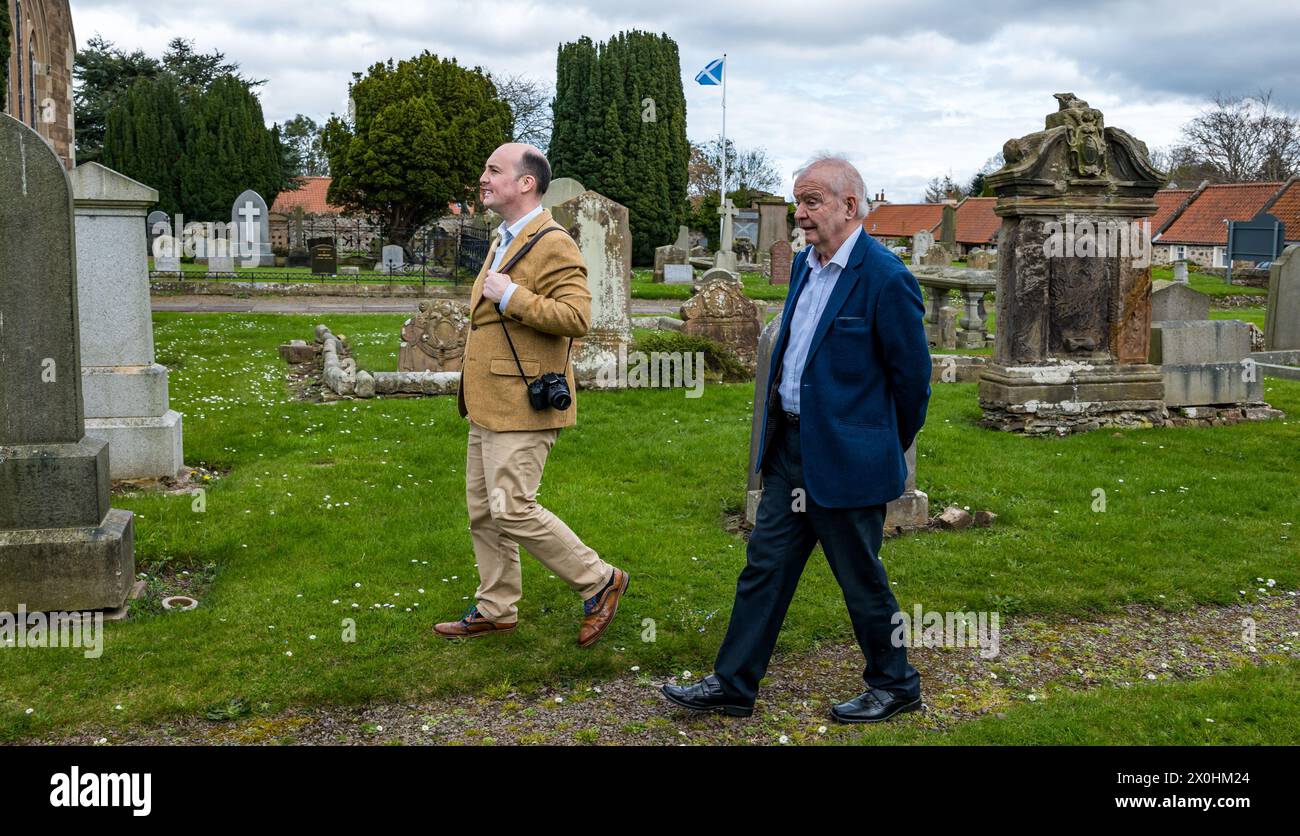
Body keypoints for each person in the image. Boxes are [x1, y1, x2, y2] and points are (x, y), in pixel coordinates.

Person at [660, 155, 931, 722]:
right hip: (790, 450)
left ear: (850, 206)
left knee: (860, 577)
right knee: (765, 567)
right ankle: (733, 684)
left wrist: (874, 444)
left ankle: (896, 682)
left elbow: (913, 385)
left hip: (847, 460)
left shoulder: (886, 279)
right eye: (797, 203)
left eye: (812, 202)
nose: (800, 215)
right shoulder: (808, 265)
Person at [434, 143, 629, 647]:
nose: (483, 178)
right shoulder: (504, 237)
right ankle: (496, 606)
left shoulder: (552, 242)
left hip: (524, 401)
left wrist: (513, 297)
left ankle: (599, 580)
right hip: (488, 399)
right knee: (484, 509)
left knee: (513, 506)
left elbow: (577, 317)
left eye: (493, 170)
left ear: (526, 183)